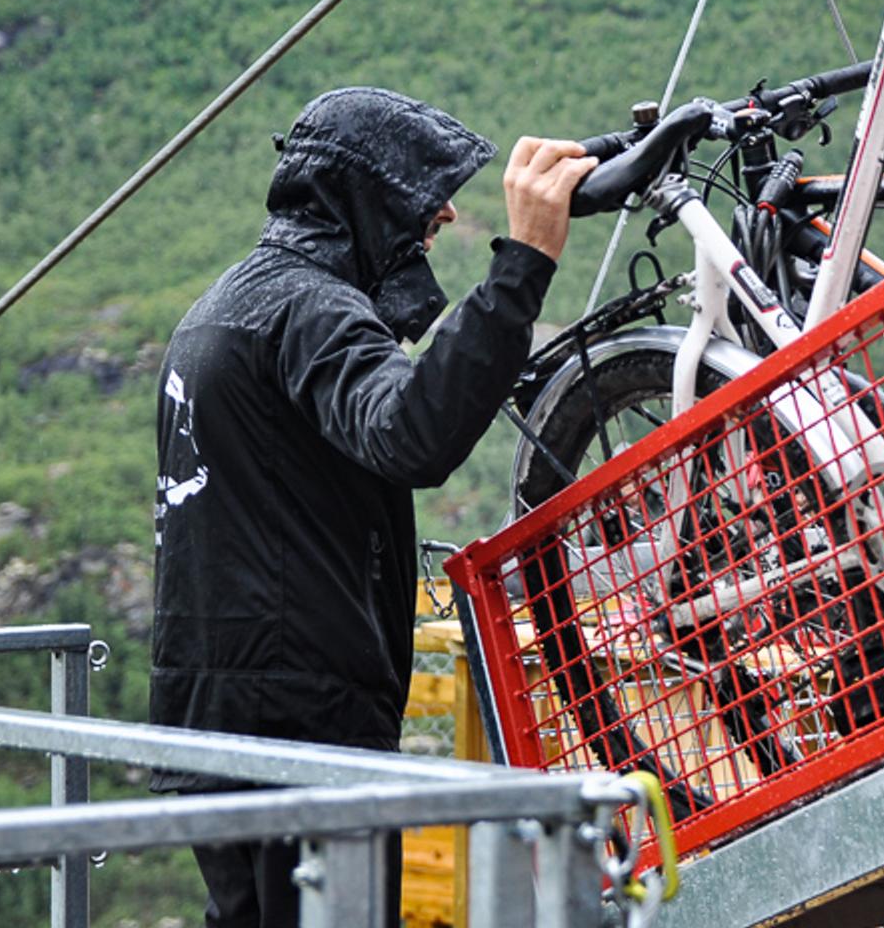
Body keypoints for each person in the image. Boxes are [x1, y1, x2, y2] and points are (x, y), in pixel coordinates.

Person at [148, 86, 594, 928]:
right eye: (422, 199)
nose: (444, 213)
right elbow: (410, 434)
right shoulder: (309, 309)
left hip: (214, 714)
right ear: (365, 203)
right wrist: (524, 264)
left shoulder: (221, 309)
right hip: (301, 732)